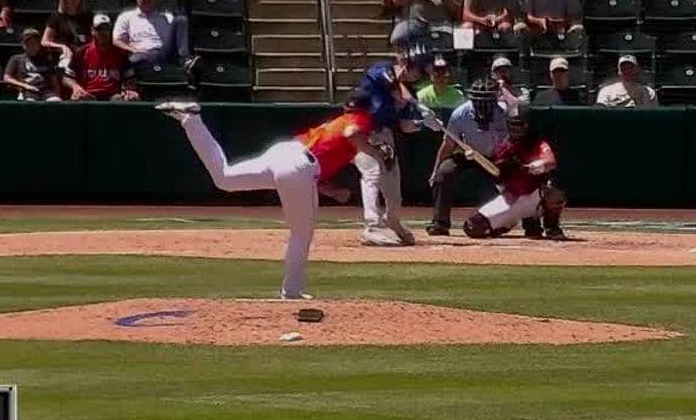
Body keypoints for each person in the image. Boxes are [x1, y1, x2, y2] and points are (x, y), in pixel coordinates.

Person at [158, 97, 376, 301]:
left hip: (285, 154)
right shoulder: (358, 118)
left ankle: (192, 120)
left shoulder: (335, 123)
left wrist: (333, 192)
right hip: (298, 166)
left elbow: (308, 174)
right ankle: (291, 292)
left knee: (225, 179)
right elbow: (352, 133)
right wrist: (375, 151)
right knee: (301, 235)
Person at [351, 41, 438, 247]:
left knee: (393, 185)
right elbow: (394, 88)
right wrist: (418, 105)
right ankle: (372, 226)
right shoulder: (381, 69)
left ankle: (393, 221)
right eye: (419, 70)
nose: (420, 76)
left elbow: (404, 126)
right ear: (409, 64)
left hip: (384, 136)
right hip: (360, 131)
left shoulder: (408, 94)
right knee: (372, 174)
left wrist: (423, 124)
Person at [462, 101, 566, 240]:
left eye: (521, 125)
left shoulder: (537, 143)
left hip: (534, 198)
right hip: (511, 198)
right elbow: (493, 172)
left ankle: (551, 227)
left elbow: (551, 162)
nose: (517, 129)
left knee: (554, 192)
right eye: (513, 124)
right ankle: (506, 223)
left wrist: (538, 165)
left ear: (528, 125)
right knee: (473, 227)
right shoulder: (503, 147)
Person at [427, 78, 509, 236]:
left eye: (487, 99)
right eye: (479, 99)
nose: (483, 104)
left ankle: (525, 224)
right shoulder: (460, 113)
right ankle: (440, 222)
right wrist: (436, 170)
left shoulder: (506, 113)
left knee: (521, 179)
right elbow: (448, 145)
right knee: (444, 173)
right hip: (469, 155)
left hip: (497, 157)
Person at [71, 13, 139, 101]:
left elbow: (129, 77)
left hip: (114, 95)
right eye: (99, 29)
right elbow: (67, 77)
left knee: (129, 99)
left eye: (106, 29)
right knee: (77, 99)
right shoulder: (81, 52)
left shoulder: (120, 53)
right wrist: (75, 87)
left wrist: (129, 90)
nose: (103, 32)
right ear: (92, 31)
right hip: (88, 94)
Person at [2, 28, 64, 102]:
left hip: (46, 90)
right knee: (30, 102)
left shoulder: (46, 60)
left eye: (34, 43)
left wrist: (57, 93)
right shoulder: (16, 59)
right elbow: (7, 78)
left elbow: (54, 79)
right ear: (23, 45)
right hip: (28, 90)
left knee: (56, 101)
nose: (31, 46)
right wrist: (25, 86)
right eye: (28, 43)